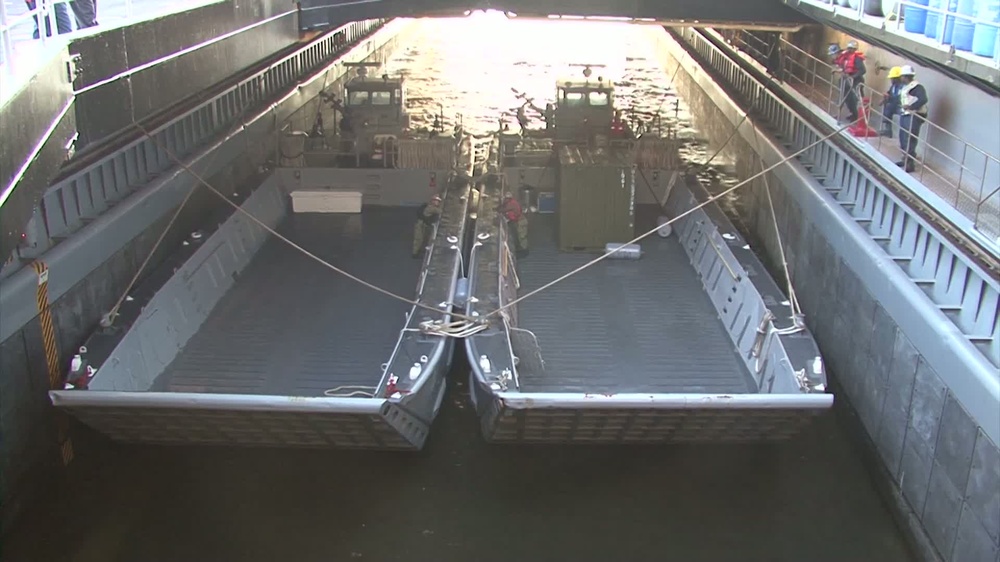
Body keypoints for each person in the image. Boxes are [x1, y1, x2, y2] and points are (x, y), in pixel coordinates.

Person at [896, 65, 928, 173]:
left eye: (902, 77)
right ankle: (904, 158)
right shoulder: (905, 87)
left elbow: (923, 99)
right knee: (903, 137)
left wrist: (911, 107)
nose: (901, 79)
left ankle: (910, 163)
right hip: (905, 114)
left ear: (906, 76)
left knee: (910, 138)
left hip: (914, 115)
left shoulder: (917, 88)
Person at [833, 40, 866, 124]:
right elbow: (843, 67)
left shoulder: (857, 59)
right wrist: (837, 71)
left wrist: (853, 77)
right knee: (847, 98)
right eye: (849, 48)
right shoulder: (845, 57)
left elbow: (862, 70)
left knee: (856, 99)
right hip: (846, 80)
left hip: (856, 81)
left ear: (854, 49)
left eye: (851, 48)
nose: (849, 50)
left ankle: (859, 116)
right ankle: (853, 114)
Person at [412, 194, 442, 258]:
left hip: (421, 224)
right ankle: (415, 253)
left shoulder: (428, 206)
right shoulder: (432, 208)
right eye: (437, 201)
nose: (438, 202)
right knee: (419, 238)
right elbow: (440, 211)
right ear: (433, 201)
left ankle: (417, 251)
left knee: (420, 238)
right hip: (421, 225)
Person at [499, 191, 528, 258]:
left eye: (506, 199)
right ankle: (522, 250)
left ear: (508, 199)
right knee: (520, 236)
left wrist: (497, 209)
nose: (505, 200)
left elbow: (504, 210)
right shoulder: (512, 202)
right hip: (519, 221)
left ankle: (524, 251)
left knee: (522, 237)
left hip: (522, 222)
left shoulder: (511, 203)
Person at [880, 66, 903, 138]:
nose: (891, 80)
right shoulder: (893, 86)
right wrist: (885, 98)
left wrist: (890, 97)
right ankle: (887, 130)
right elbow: (890, 93)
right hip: (894, 106)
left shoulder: (903, 87)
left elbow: (900, 98)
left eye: (893, 78)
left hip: (901, 107)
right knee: (887, 106)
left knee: (889, 106)